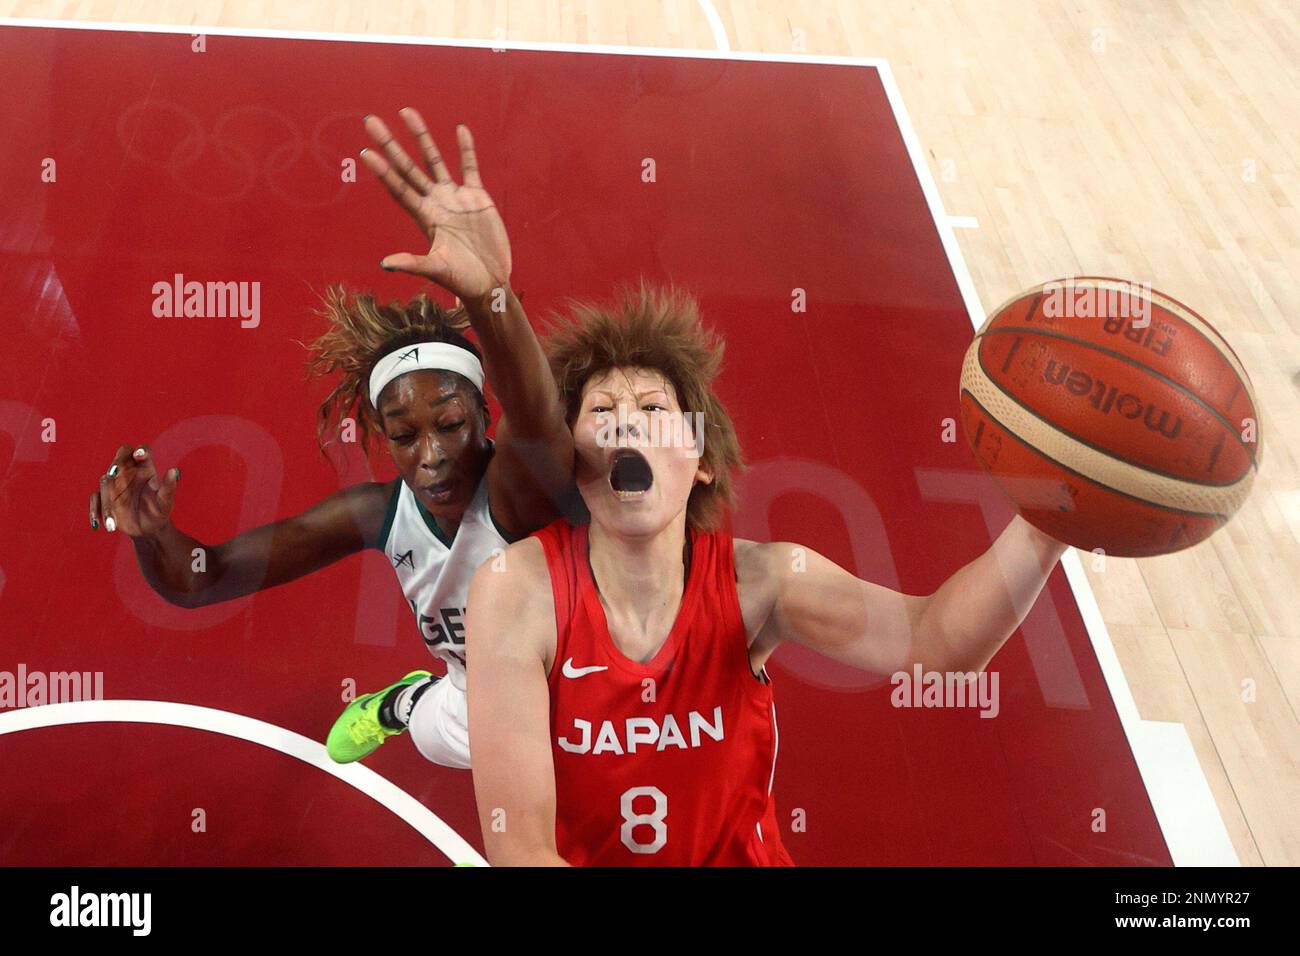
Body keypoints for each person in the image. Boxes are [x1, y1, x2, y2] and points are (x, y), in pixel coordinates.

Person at [465, 285, 1069, 865]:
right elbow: (519, 848)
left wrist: (1047, 523)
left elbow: (936, 642)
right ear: (573, 462)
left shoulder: (761, 582)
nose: (627, 423)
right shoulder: (517, 589)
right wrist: (493, 295)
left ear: (700, 462)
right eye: (601, 411)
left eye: (653, 408)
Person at [88, 109, 572, 770]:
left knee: (569, 772)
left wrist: (491, 293)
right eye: (404, 435)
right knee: (466, 741)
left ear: (485, 419)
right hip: (474, 702)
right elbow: (206, 578)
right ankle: (403, 706)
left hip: (584, 699)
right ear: (380, 435)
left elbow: (540, 416)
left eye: (452, 425)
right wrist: (152, 535)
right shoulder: (379, 514)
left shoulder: (518, 489)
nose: (430, 456)